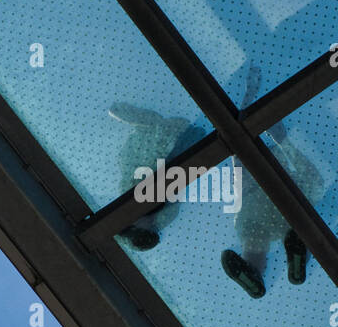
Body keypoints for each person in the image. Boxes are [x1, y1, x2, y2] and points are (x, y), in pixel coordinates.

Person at [220, 67, 325, 299]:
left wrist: (250, 93)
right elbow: (239, 151)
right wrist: (283, 142)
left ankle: (271, 264)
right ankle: (295, 253)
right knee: (307, 206)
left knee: (266, 233)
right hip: (278, 213)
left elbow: (237, 150)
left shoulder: (252, 211)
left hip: (268, 215)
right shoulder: (285, 178)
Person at [109, 101, 206, 251]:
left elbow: (142, 162)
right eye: (154, 230)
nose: (154, 227)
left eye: (150, 229)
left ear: (133, 225)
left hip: (164, 143)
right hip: (188, 147)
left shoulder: (129, 195)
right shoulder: (165, 215)